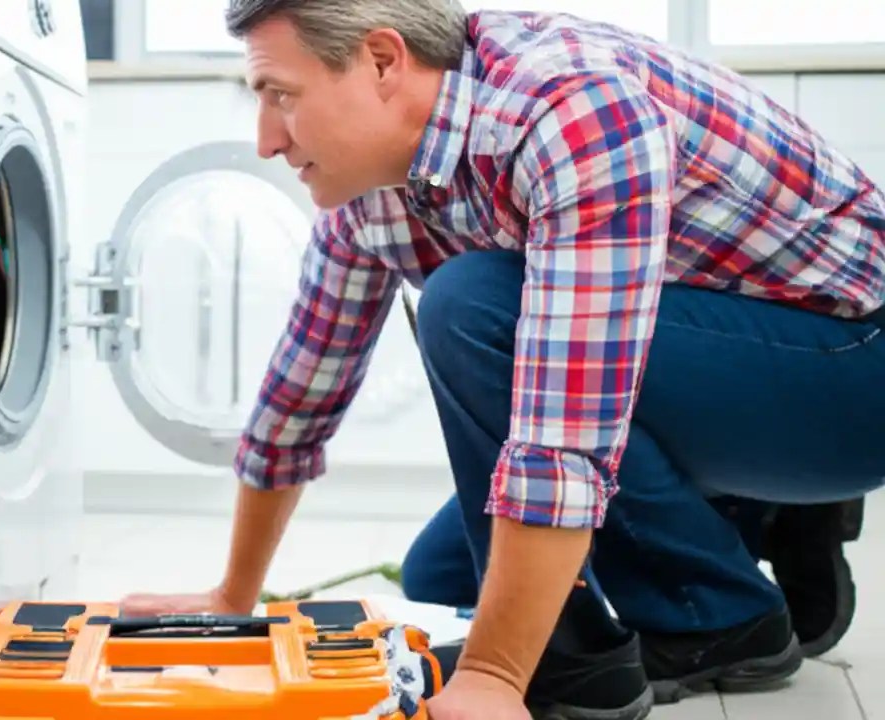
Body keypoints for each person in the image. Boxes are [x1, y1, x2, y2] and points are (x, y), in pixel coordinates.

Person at [120, 2, 885, 718]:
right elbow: (298, 401)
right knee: (444, 578)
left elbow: (566, 427)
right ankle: (754, 513)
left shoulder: (571, 110)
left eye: (279, 93)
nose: (267, 138)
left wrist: (496, 677)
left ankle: (723, 613)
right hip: (722, 369)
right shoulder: (372, 188)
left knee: (474, 306)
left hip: (853, 371)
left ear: (382, 61)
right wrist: (232, 597)